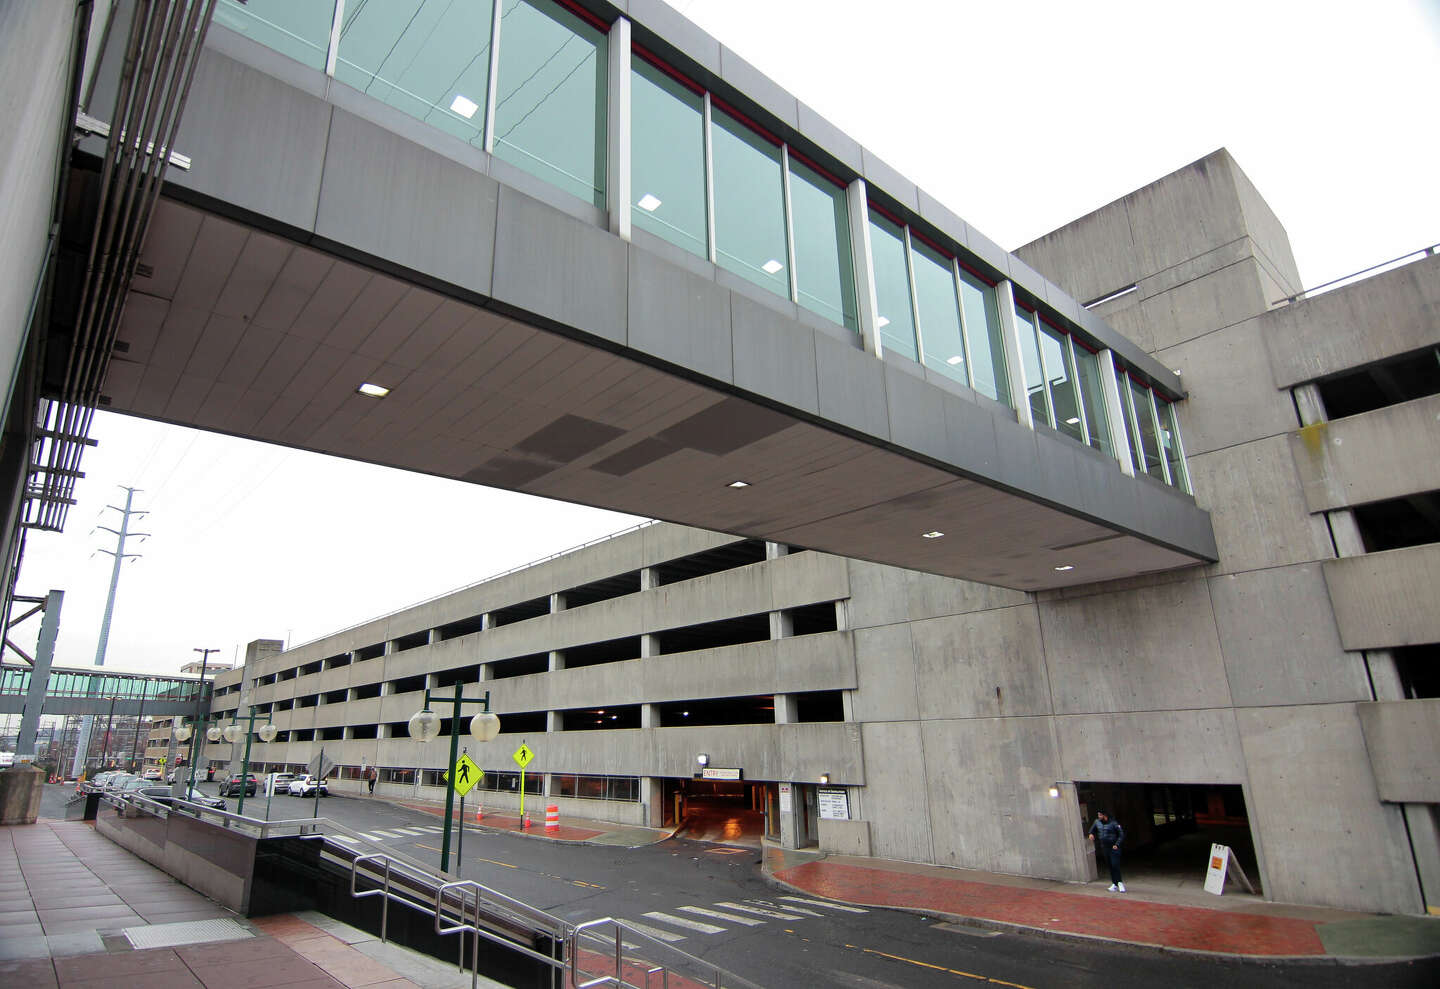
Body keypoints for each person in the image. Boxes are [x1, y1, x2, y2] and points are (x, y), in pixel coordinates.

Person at [1088, 809, 1125, 892]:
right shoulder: (1097, 822)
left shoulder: (1114, 823)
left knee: (1115, 864)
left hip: (1114, 847)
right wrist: (1091, 834)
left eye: (1100, 815)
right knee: (1110, 865)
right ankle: (1114, 884)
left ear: (1104, 815)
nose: (1098, 817)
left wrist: (1117, 844)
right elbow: (1092, 830)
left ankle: (1120, 883)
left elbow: (1121, 834)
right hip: (1105, 848)